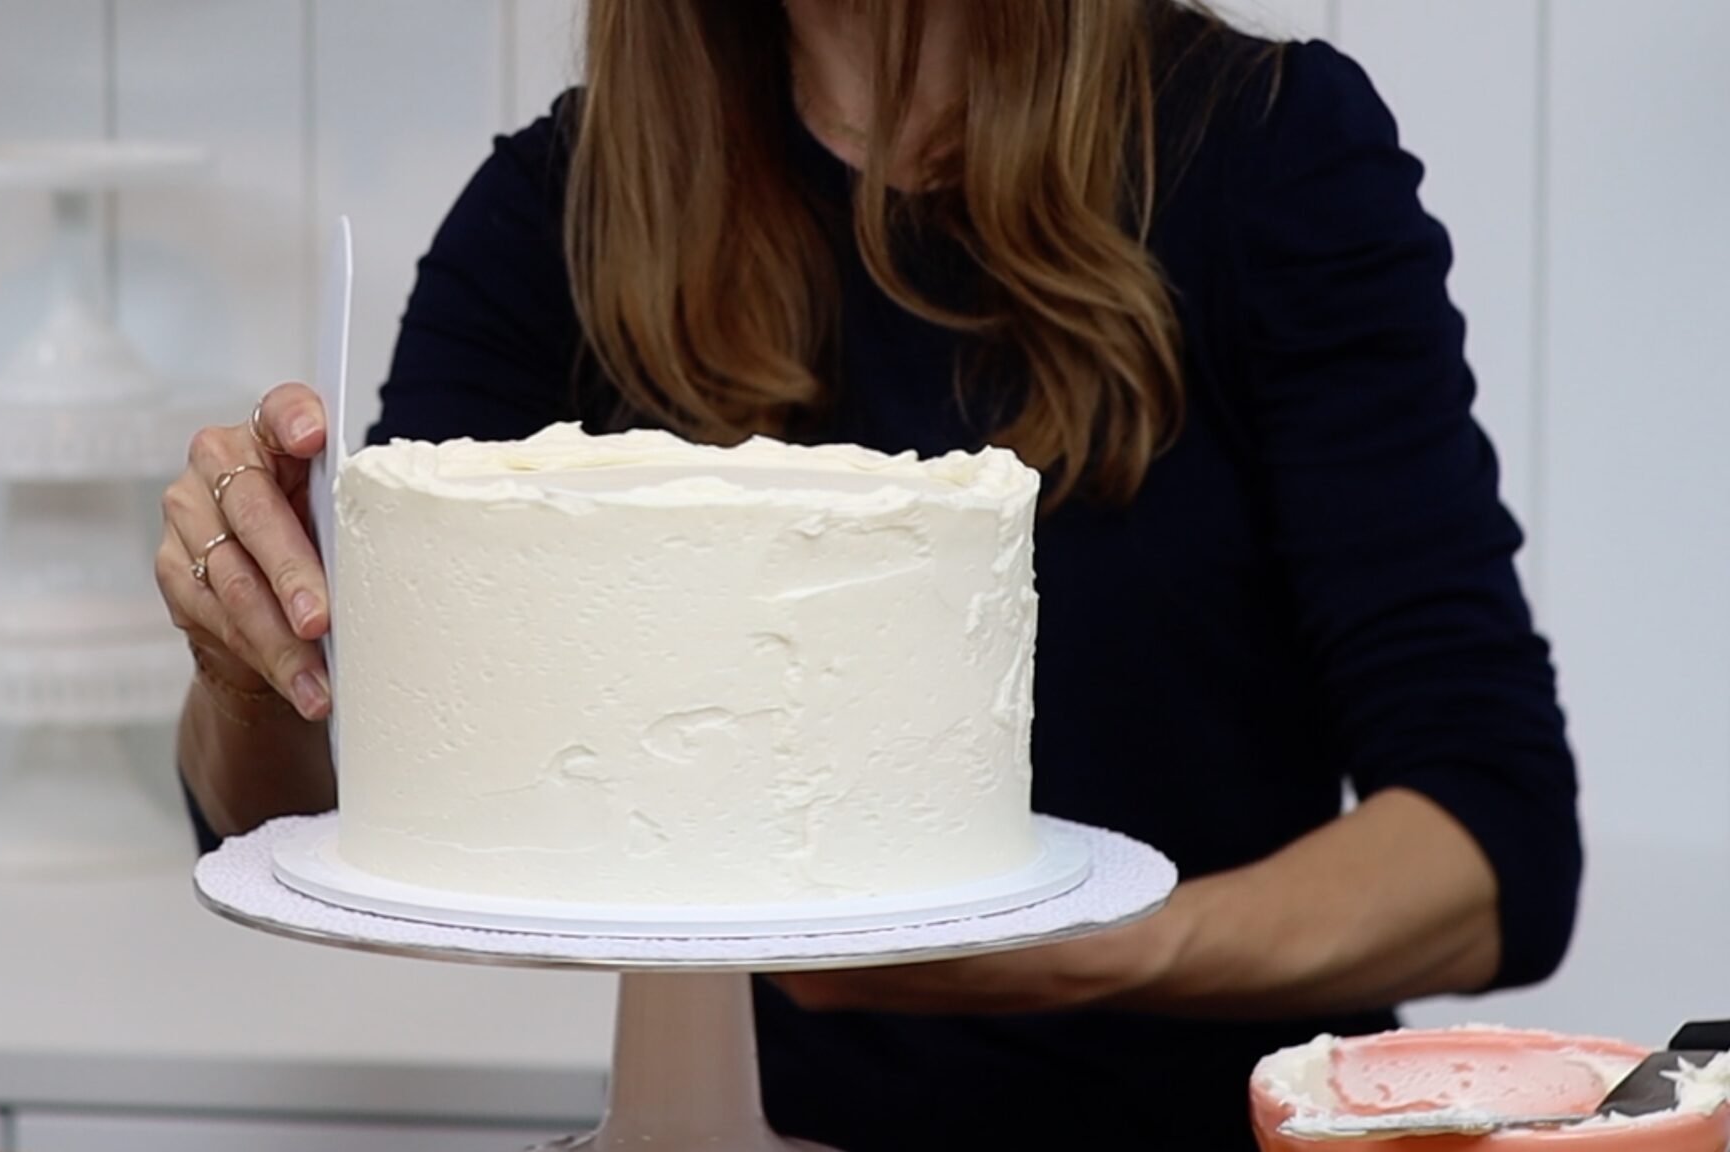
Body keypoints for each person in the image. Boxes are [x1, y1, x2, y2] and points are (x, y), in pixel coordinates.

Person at [156, 1, 1583, 1147]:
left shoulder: (1266, 154)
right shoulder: (558, 214)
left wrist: (1077, 949)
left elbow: (1489, 848)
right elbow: (339, 798)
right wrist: (259, 651)